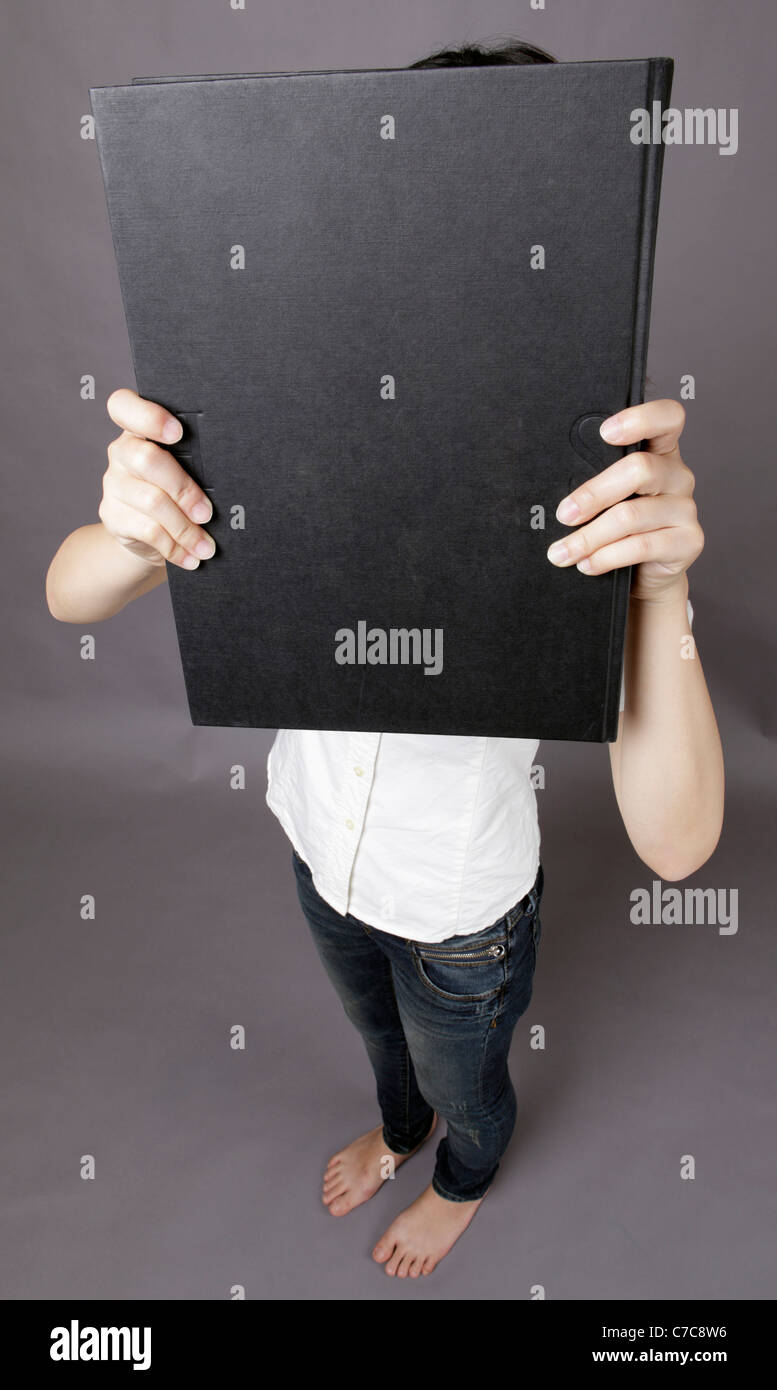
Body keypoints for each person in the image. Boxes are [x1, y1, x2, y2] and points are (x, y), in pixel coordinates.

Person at [45, 38, 724, 1280]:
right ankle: (402, 1122)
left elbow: (679, 847)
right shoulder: (288, 417)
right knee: (381, 1045)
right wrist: (131, 523)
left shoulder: (579, 486)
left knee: (467, 1082)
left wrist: (662, 582)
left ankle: (463, 1173)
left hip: (463, 911)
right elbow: (68, 591)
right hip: (317, 850)